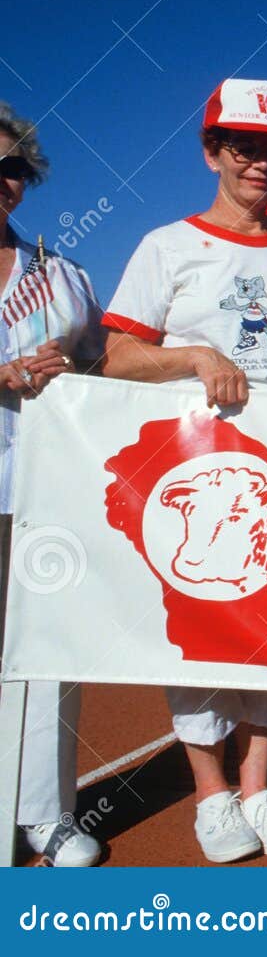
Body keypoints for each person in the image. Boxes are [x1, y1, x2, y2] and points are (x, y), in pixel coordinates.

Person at [100, 78, 267, 863]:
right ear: (212, 153)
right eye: (243, 147)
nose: (259, 162)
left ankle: (260, 783)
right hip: (197, 471)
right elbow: (119, 356)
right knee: (199, 620)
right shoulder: (167, 246)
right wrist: (196, 356)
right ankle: (210, 791)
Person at [0, 102, 106, 867]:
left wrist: (77, 372)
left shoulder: (59, 275)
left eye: (10, 167)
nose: (0, 180)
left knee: (46, 655)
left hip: (39, 492)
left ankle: (45, 812)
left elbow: (110, 365)